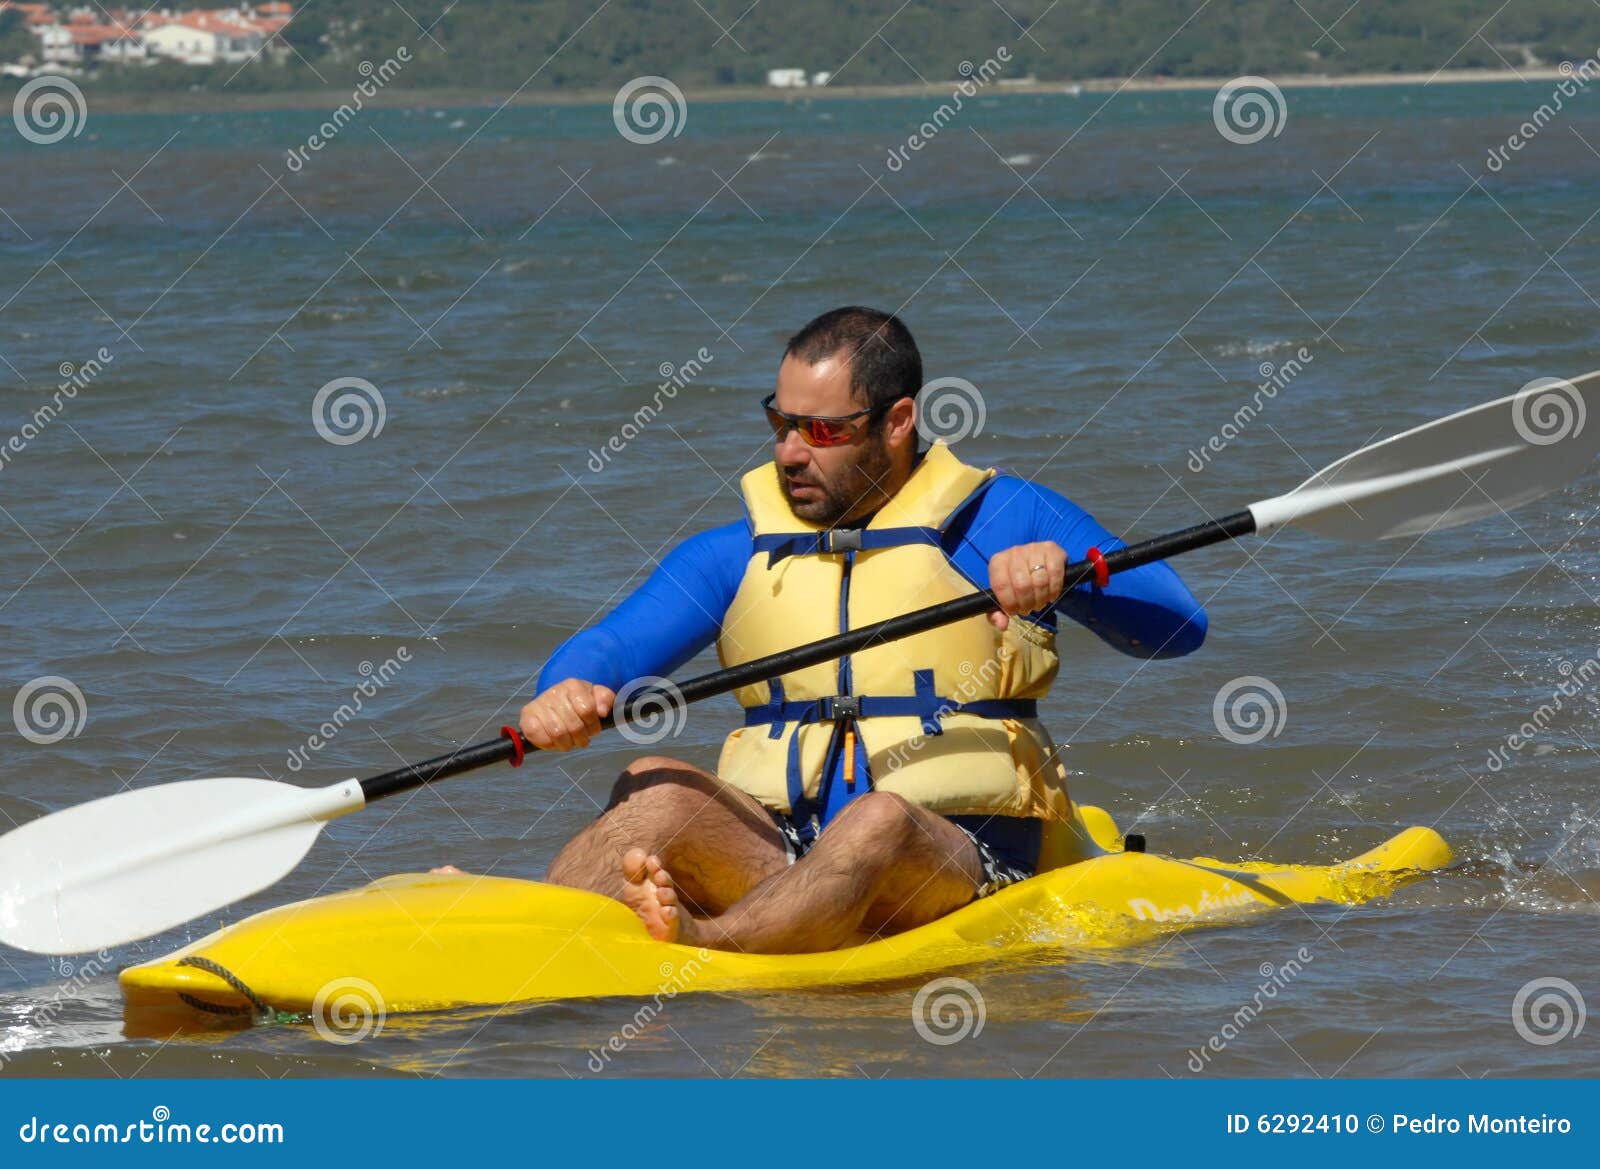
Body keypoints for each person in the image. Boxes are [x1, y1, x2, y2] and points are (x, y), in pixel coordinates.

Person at [488, 307, 1205, 953]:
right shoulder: (738, 552)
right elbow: (612, 647)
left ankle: (711, 943)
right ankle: (525, 931)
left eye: (823, 431)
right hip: (788, 857)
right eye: (780, 424)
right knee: (653, 787)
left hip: (963, 864)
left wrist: (1069, 573)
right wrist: (565, 691)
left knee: (878, 819)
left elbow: (1177, 626)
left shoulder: (1004, 518)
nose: (790, 452)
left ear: (897, 422)